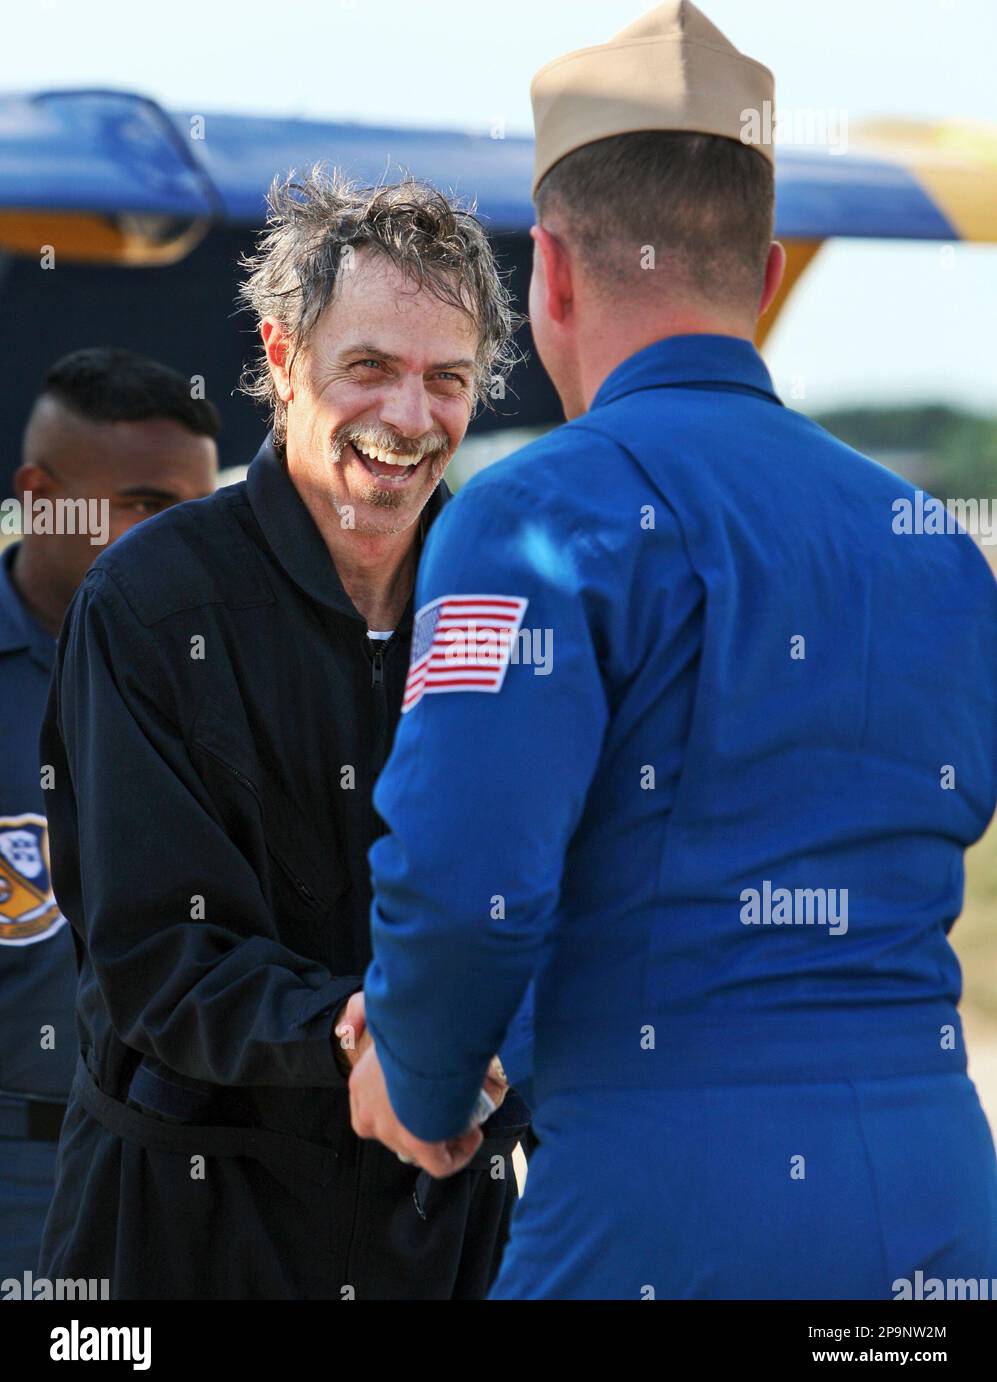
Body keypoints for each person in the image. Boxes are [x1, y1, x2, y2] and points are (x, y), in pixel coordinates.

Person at [349, 0, 997, 1298]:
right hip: (940, 1195)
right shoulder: (931, 536)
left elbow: (471, 883)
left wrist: (414, 1077)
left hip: (663, 1218)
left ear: (554, 271)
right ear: (763, 275)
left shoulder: (532, 515)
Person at [38, 173, 530, 1300]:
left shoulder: (516, 608)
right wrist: (362, 1038)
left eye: (446, 379)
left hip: (440, 1232)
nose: (410, 418)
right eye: (370, 367)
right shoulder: (148, 602)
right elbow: (158, 956)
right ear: (279, 354)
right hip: (177, 1238)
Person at [1, 346, 218, 1280]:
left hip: (194, 1169)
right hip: (19, 1175)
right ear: (41, 497)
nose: (182, 538)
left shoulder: (226, 673)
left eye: (202, 509)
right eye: (144, 505)